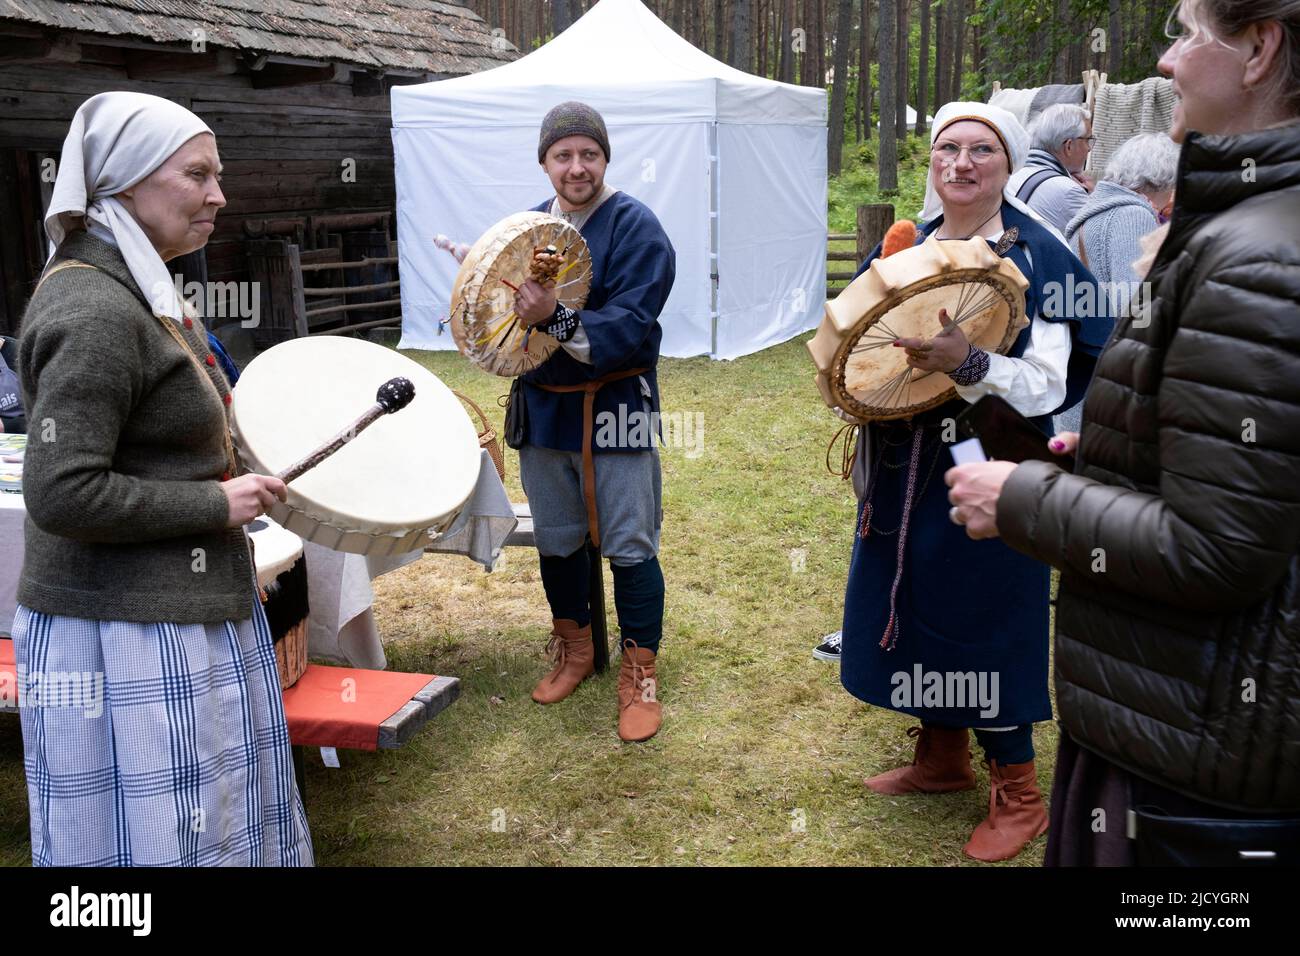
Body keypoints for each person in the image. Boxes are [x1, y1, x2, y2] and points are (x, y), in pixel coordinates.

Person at [946, 0, 1300, 865]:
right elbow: (1227, 474)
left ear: (1260, 48)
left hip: (1199, 749)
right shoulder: (1250, 229)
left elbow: (1217, 546)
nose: (1169, 61)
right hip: (1184, 713)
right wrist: (1101, 461)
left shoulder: (1259, 256)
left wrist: (1027, 493)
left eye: (1186, 33)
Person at [14, 91, 313, 866]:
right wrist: (214, 504)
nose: (219, 195)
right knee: (157, 844)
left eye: (218, 175)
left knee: (206, 828)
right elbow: (61, 492)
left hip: (173, 612)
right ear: (126, 181)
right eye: (197, 175)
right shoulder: (92, 308)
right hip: (125, 634)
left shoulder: (144, 289)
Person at [838, 101, 1111, 862]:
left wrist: (966, 363)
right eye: (947, 149)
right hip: (905, 458)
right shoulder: (916, 245)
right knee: (917, 592)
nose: (960, 163)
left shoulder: (1038, 257)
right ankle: (943, 758)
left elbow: (1048, 384)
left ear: (1009, 164)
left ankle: (1020, 794)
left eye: (980, 151)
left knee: (982, 607)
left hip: (988, 461)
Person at [511, 102, 676, 743]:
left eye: (588, 154)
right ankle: (575, 651)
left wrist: (553, 317)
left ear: (605, 158)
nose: (576, 167)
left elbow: (632, 323)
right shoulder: (529, 230)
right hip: (543, 405)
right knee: (556, 536)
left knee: (630, 539)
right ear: (545, 162)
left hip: (618, 406)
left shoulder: (637, 227)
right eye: (563, 155)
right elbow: (502, 316)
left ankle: (640, 675)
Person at [1064, 131, 1179, 318]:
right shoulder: (1134, 215)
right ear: (1165, 180)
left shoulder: (1094, 209)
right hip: (1116, 342)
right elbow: (1136, 307)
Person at [1007, 104, 1096, 234]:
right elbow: (1099, 240)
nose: (1089, 148)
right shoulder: (1069, 191)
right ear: (1069, 146)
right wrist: (1093, 196)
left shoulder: (1010, 175)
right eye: (1088, 140)